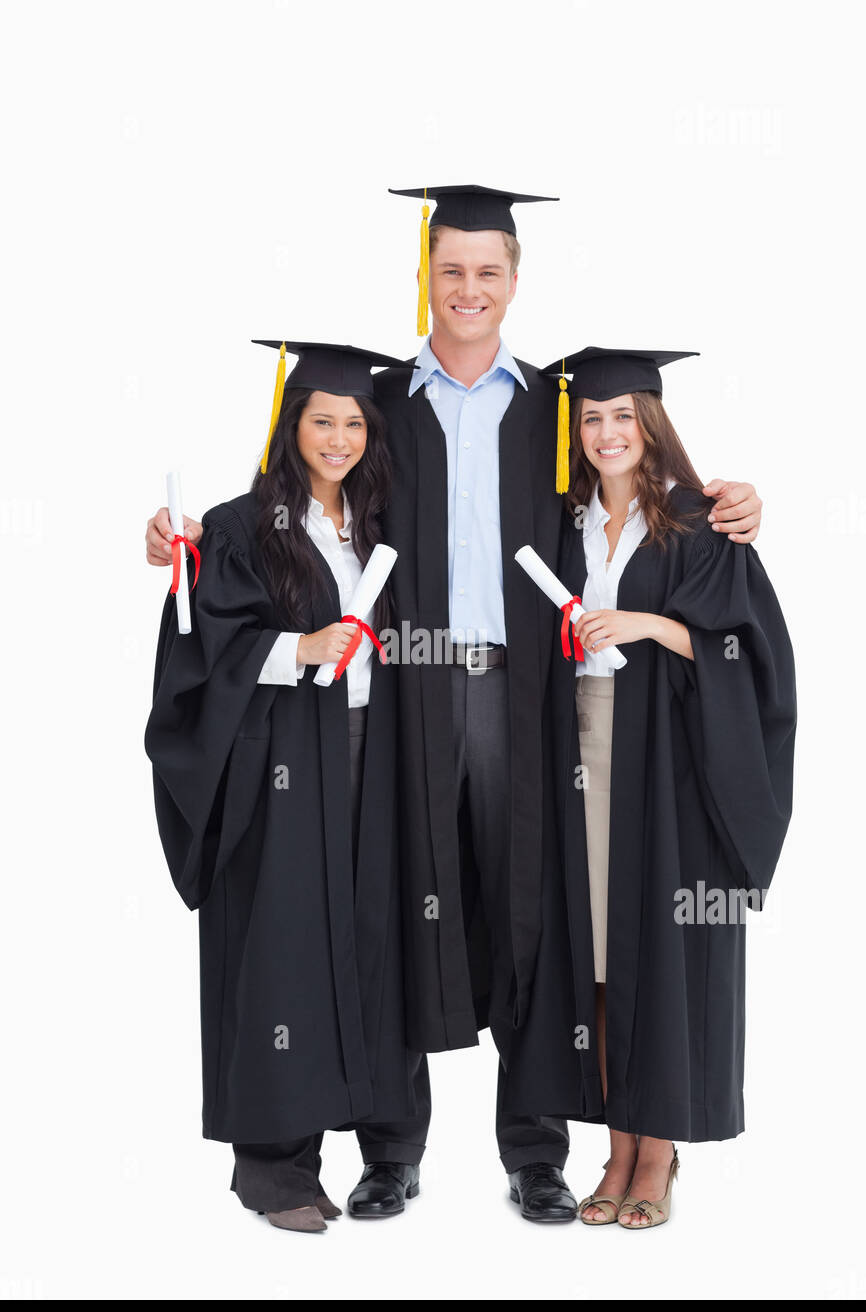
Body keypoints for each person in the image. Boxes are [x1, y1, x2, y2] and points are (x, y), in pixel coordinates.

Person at [145, 186, 765, 1222]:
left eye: (488, 270)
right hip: (401, 696)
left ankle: (534, 1150)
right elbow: (296, 500)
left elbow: (635, 477)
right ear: (424, 274)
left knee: (535, 906)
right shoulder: (378, 401)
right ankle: (392, 1148)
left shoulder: (556, 407)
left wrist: (735, 501)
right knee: (394, 896)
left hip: (534, 693)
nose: (467, 288)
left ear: (515, 279)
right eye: (449, 269)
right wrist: (173, 538)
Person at [505, 347, 795, 1228]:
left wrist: (649, 625)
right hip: (578, 750)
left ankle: (656, 1148)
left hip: (668, 758)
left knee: (658, 942)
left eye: (623, 415)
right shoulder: (561, 523)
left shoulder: (702, 523)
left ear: (652, 424)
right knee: (594, 941)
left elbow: (752, 656)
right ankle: (615, 1139)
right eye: (591, 418)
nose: (606, 433)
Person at [145, 342, 430, 1233]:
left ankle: (393, 1151)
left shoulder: (383, 523)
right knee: (283, 944)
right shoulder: (237, 525)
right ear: (291, 425)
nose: (339, 438)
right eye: (322, 421)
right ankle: (279, 1168)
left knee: (381, 936)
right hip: (281, 765)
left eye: (353, 423)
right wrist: (297, 649)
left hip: (377, 753)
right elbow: (200, 653)